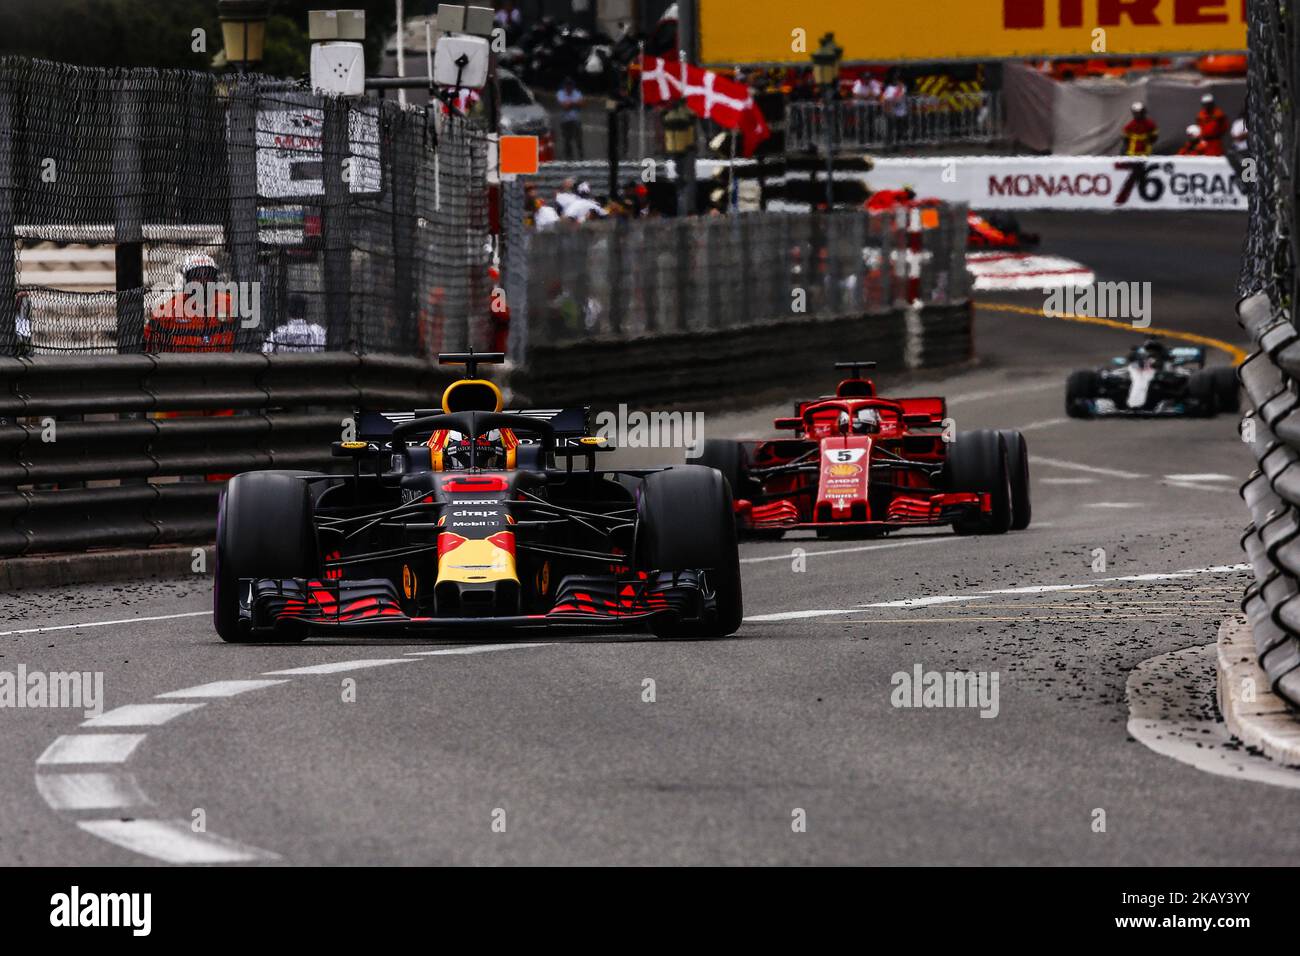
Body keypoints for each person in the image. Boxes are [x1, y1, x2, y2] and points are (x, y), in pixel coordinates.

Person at [144, 252, 235, 353]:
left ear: (215, 279)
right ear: (186, 280)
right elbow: (147, 338)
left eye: (208, 275)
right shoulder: (171, 309)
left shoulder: (230, 304)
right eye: (196, 276)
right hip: (183, 366)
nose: (203, 281)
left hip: (225, 364)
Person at [556, 76, 584, 160]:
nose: (569, 87)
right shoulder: (560, 93)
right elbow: (564, 106)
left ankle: (581, 157)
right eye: (567, 85)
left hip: (576, 120)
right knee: (567, 141)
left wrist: (570, 104)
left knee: (578, 140)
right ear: (565, 86)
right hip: (565, 121)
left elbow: (582, 104)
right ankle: (569, 158)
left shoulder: (577, 93)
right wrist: (575, 104)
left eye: (571, 85)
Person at [881, 71, 908, 150]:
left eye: (898, 79)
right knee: (889, 130)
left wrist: (890, 102)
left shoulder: (902, 87)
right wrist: (886, 106)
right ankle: (888, 145)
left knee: (899, 130)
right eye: (895, 79)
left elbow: (898, 98)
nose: (896, 81)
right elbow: (884, 99)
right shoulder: (889, 88)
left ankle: (897, 145)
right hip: (890, 112)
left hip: (900, 112)